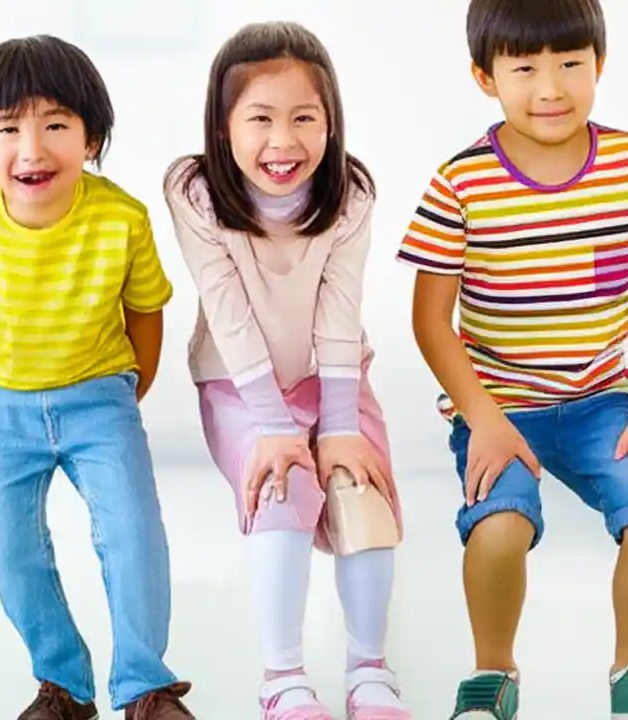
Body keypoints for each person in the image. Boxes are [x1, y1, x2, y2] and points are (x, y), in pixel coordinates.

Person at [396, 1, 628, 718]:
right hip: (501, 406)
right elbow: (428, 319)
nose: (550, 87)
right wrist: (483, 419)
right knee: (500, 526)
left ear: (599, 64)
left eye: (571, 63)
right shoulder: (461, 183)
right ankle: (492, 677)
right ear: (485, 77)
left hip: (606, 400)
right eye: (525, 67)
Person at [0, 34, 195, 720]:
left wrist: (126, 388)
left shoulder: (120, 217)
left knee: (133, 535)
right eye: (8, 129)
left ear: (92, 139)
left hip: (99, 397)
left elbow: (146, 312)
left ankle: (144, 685)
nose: (32, 149)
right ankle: (64, 684)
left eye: (56, 126)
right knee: (9, 553)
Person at [164, 21, 409, 720]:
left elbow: (340, 310)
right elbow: (228, 310)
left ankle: (369, 670)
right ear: (222, 126)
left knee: (361, 492)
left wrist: (337, 426)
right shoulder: (194, 189)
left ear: (331, 124)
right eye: (261, 119)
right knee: (282, 487)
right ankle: (283, 678)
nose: (284, 142)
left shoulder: (350, 193)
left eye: (305, 118)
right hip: (241, 387)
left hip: (331, 376)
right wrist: (274, 425)